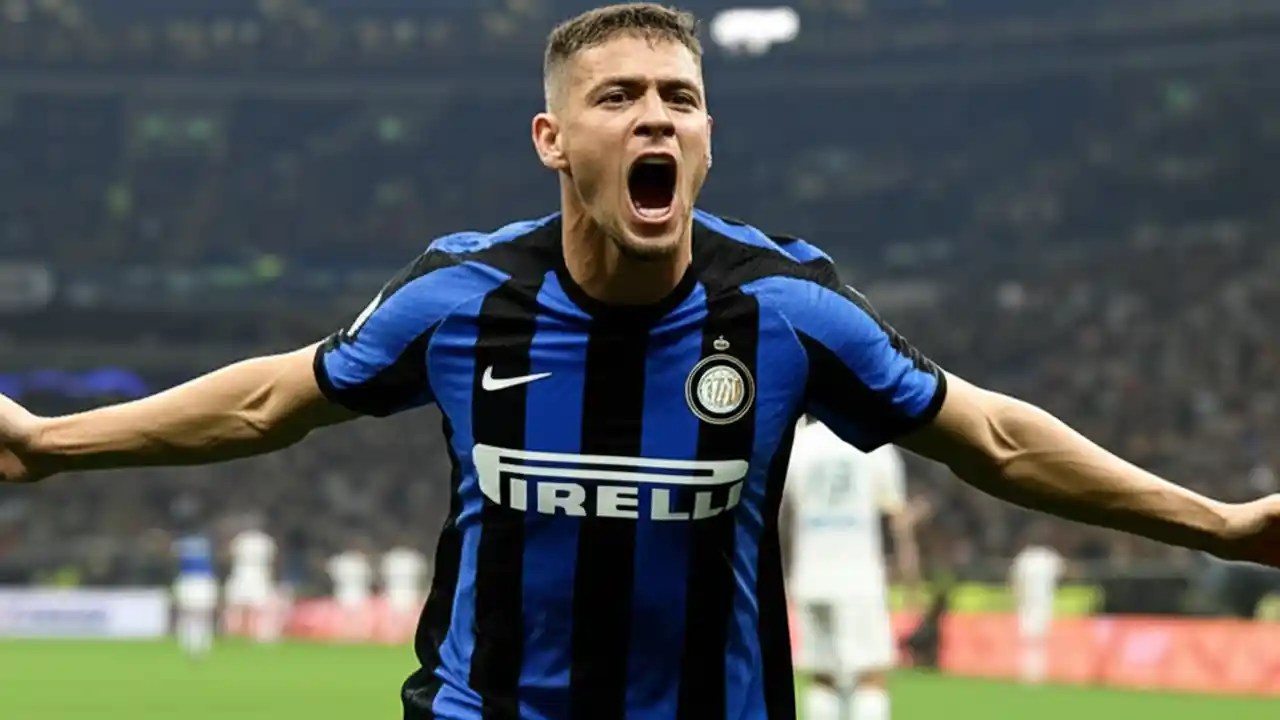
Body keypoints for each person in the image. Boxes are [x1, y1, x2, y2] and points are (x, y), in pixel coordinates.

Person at [1, 4, 1279, 719]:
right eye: (619, 97)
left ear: (708, 139)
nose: (654, 114)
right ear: (554, 139)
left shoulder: (787, 308)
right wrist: (53, 447)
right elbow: (276, 398)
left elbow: (990, 436)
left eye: (678, 95)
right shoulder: (461, 296)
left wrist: (1216, 525)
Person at [785, 416, 925, 720]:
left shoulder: (799, 445)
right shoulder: (873, 444)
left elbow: (785, 516)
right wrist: (911, 578)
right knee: (870, 676)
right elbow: (897, 521)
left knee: (823, 678)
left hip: (809, 574)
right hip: (859, 576)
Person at [1010, 533, 1066, 685]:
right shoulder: (1049, 557)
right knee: (1038, 641)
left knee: (1029, 640)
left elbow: (1015, 583)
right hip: (1043, 604)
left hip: (1027, 604)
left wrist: (1016, 599)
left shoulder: (1024, 558)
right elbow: (1063, 573)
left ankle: (1029, 673)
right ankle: (1036, 673)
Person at [224, 526, 279, 644]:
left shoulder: (240, 539)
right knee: (259, 609)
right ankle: (261, 635)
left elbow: (229, 556)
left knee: (237, 609)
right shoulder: (266, 540)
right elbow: (273, 560)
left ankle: (232, 633)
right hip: (258, 574)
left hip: (242, 573)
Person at [171, 530, 218, 659]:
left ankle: (188, 646)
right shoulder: (208, 543)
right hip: (203, 581)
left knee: (187, 617)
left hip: (188, 581)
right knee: (205, 618)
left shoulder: (181, 543)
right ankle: (204, 646)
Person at [381, 544, 428, 641]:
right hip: (407, 594)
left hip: (395, 594)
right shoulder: (414, 559)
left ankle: (396, 637)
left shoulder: (391, 559)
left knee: (398, 620)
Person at [327, 546, 374, 642]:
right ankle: (354, 635)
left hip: (347, 592)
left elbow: (331, 574)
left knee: (350, 617)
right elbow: (369, 577)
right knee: (352, 617)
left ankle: (352, 635)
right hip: (354, 592)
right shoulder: (361, 562)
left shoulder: (340, 561)